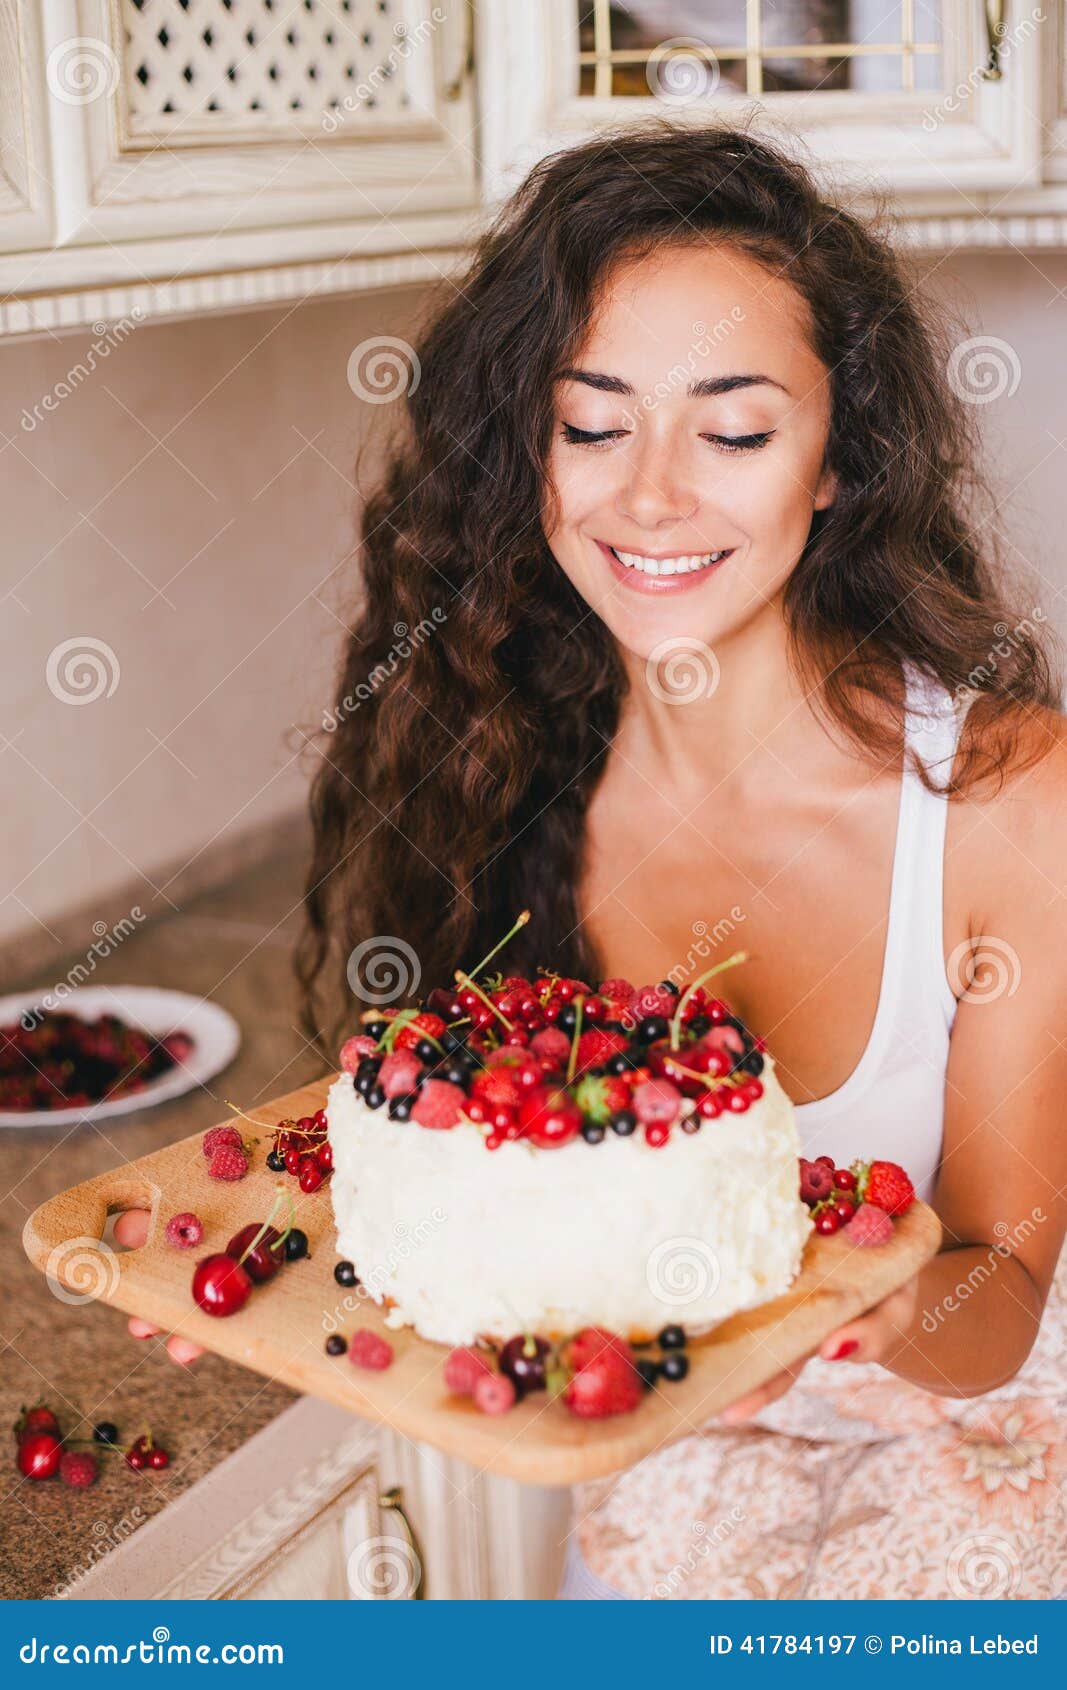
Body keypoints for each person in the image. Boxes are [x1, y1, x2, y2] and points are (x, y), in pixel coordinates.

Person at [122, 120, 1067, 1599]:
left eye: (735, 432)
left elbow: (998, 1296)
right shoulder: (498, 763)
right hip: (659, 1467)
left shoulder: (1014, 797)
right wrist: (272, 1265)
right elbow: (491, 1190)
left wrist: (863, 1305)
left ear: (839, 460)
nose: (651, 495)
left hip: (972, 1467)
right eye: (590, 424)